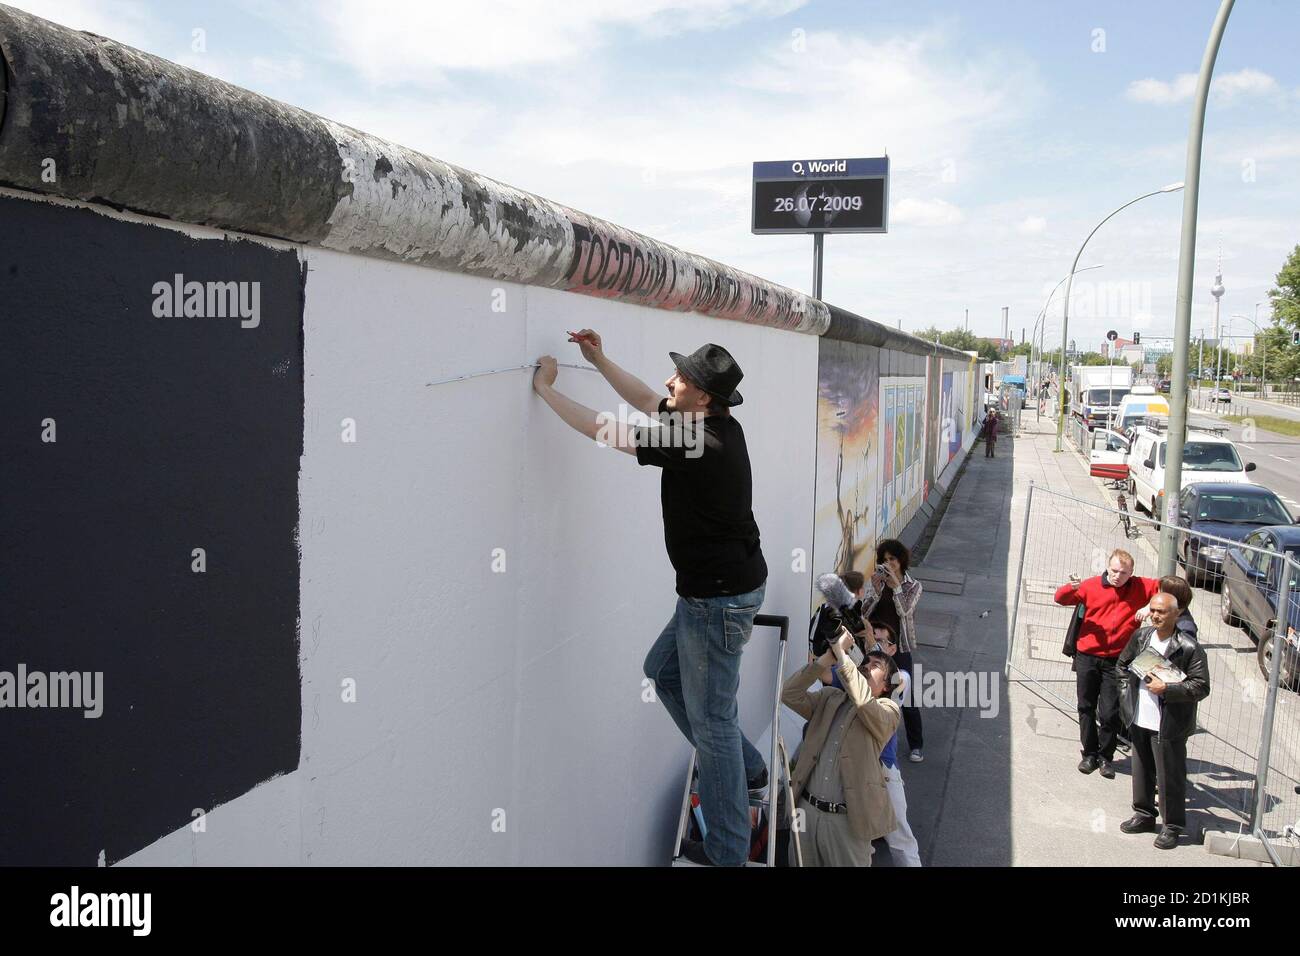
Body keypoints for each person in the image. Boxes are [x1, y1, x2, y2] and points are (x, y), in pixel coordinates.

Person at [532, 331, 767, 867]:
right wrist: (598, 358)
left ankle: (729, 852)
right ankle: (745, 767)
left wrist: (545, 391)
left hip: (718, 602)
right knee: (663, 674)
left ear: (703, 396)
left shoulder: (699, 443)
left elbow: (607, 430)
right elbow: (643, 400)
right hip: (712, 595)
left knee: (712, 726)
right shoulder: (707, 424)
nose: (670, 381)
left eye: (681, 378)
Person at [782, 628, 901, 866]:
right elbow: (789, 694)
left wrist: (844, 656)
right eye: (865, 662)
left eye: (876, 665)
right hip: (805, 811)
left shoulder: (888, 710)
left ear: (887, 686)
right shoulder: (829, 698)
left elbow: (865, 703)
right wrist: (828, 658)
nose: (866, 666)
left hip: (847, 822)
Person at [1116, 592, 1211, 849]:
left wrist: (1167, 689)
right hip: (1139, 717)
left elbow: (1201, 686)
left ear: (1176, 614)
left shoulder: (1188, 647)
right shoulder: (1142, 636)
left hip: (1169, 723)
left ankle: (1172, 826)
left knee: (1169, 776)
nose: (1156, 616)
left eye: (1163, 612)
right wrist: (1127, 698)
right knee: (1141, 769)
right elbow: (1122, 666)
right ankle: (1144, 814)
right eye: (1154, 611)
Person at [1054, 549, 1158, 779]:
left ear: (1131, 573)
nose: (1117, 576)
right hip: (1088, 656)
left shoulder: (1141, 587)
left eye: (1123, 572)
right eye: (1113, 570)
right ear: (1107, 567)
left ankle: (1105, 756)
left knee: (1110, 712)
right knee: (1086, 706)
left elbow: (1169, 590)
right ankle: (1089, 753)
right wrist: (1071, 588)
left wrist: (1149, 607)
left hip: (1116, 660)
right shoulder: (1091, 586)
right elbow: (1060, 598)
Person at [861, 539, 925, 761]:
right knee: (872, 690)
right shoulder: (878, 583)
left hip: (899, 646)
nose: (888, 564)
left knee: (904, 694)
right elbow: (864, 612)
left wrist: (895, 586)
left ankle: (916, 744)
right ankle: (875, 742)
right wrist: (876, 592)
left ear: (901, 561)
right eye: (884, 560)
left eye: (892, 559)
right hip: (876, 645)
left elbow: (905, 610)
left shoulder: (912, 586)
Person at [866, 622, 922, 867]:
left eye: (881, 642)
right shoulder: (862, 673)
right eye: (873, 638)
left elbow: (894, 680)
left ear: (892, 649)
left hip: (884, 770)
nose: (876, 644)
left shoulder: (902, 678)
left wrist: (869, 643)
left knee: (900, 837)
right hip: (857, 767)